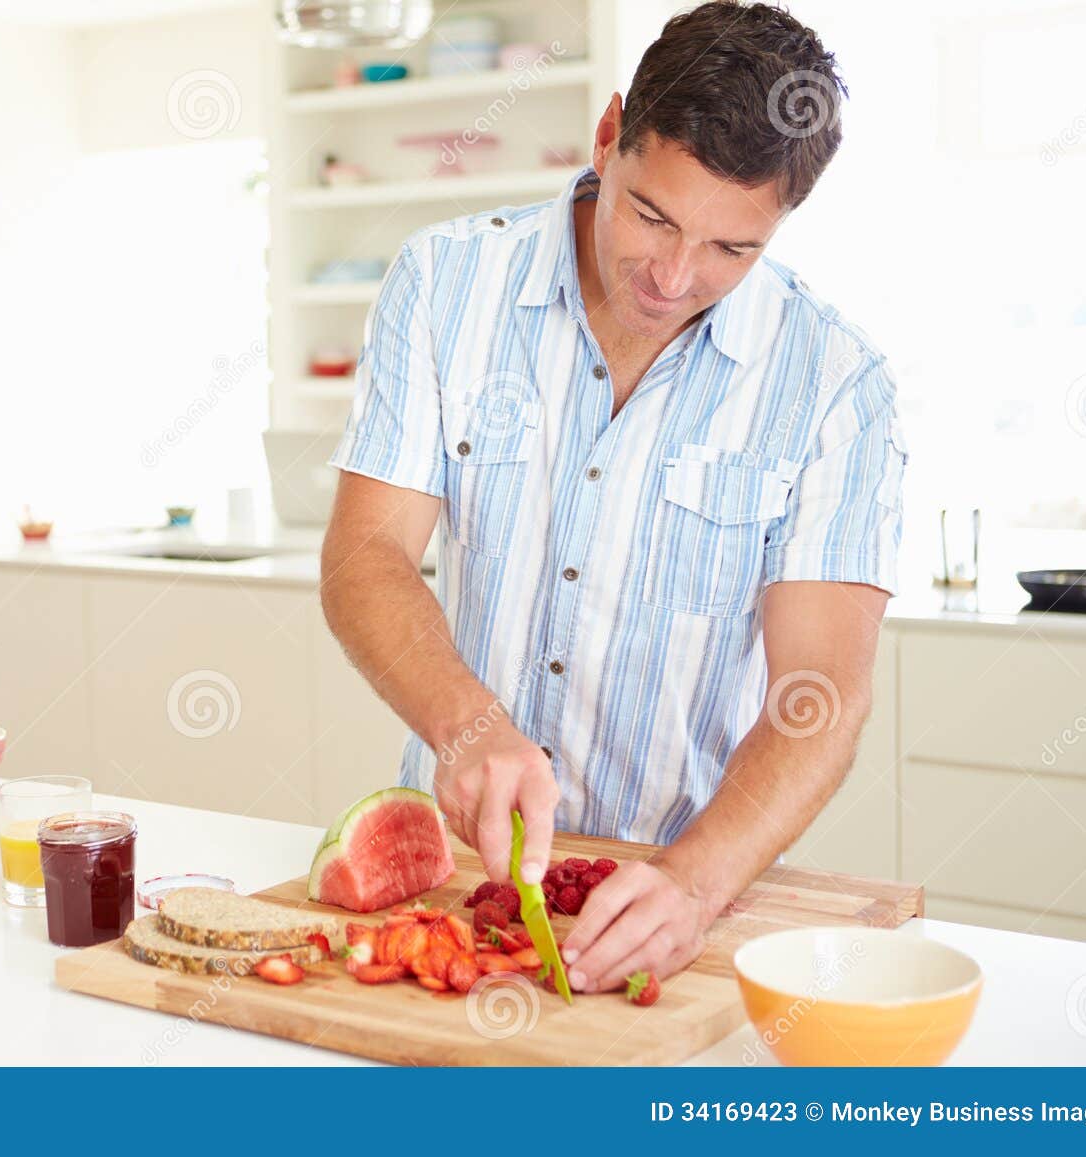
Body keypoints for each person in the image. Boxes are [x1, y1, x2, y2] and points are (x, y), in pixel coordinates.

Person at [319, 0, 905, 992]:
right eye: (652, 215)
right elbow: (364, 556)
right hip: (458, 884)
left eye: (732, 249)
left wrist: (695, 879)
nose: (673, 277)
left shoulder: (835, 384)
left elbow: (822, 692)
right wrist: (467, 724)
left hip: (680, 888)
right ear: (608, 136)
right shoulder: (443, 284)